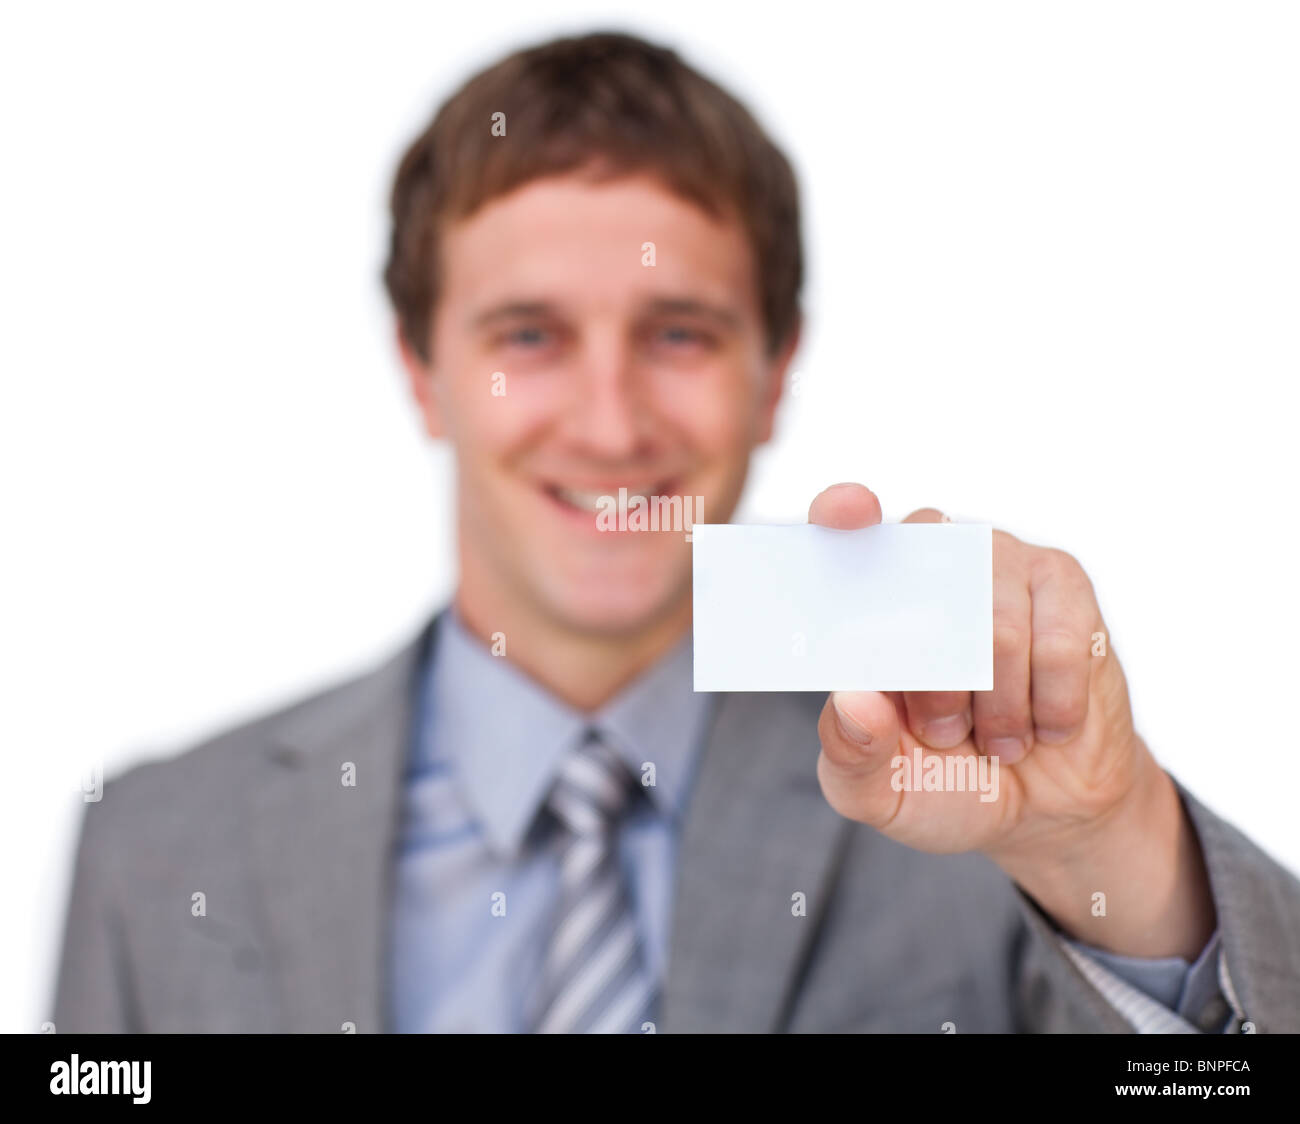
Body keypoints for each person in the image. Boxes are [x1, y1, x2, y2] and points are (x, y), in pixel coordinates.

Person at [52, 30, 1300, 1034]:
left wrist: (1111, 845)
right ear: (423, 371)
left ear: (773, 372)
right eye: (528, 335)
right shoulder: (163, 846)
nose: (609, 423)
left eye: (680, 332)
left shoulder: (977, 820)